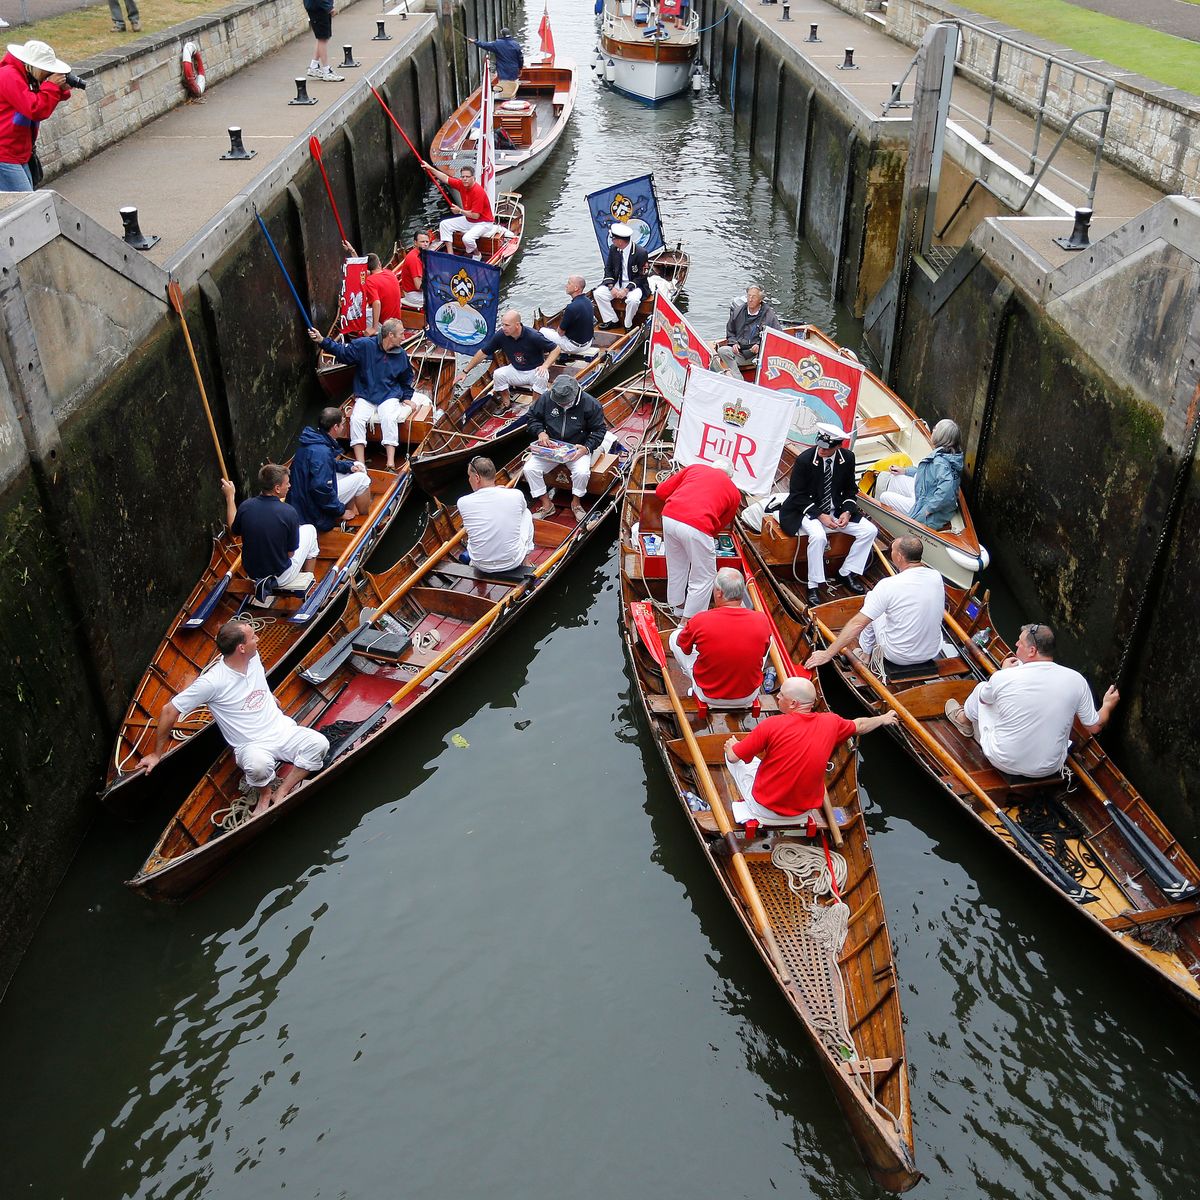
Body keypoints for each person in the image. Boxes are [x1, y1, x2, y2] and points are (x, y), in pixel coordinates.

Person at [140, 621, 328, 814]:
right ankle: (265, 794)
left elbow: (255, 682)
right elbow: (169, 710)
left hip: (280, 728)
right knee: (258, 766)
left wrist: (267, 695)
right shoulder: (212, 682)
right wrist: (157, 754)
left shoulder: (253, 657)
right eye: (253, 637)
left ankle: (282, 790)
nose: (258, 639)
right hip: (251, 744)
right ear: (241, 648)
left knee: (319, 744)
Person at [946, 623, 1120, 779]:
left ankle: (963, 720)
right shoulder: (1077, 680)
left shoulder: (1005, 676)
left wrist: (1002, 673)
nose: (1016, 644)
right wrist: (1107, 705)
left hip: (1003, 760)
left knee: (981, 689)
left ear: (1032, 651)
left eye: (1020, 642)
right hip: (1048, 768)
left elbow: (985, 699)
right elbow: (1095, 727)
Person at [723, 677, 897, 822]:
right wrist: (883, 719)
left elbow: (733, 757)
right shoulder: (832, 722)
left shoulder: (771, 724)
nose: (777, 697)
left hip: (765, 809)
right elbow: (860, 725)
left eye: (781, 694)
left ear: (793, 703)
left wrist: (732, 746)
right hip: (804, 812)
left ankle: (748, 807)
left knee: (730, 754)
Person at [805, 536, 944, 671]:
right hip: (931, 652)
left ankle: (865, 653)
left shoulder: (888, 585)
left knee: (871, 598)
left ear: (899, 557)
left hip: (897, 656)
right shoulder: (936, 576)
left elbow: (857, 624)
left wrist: (827, 654)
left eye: (892, 550)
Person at [309, 318, 429, 470]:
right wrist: (322, 341)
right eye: (401, 334)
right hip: (366, 394)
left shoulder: (401, 355)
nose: (404, 337)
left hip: (389, 394)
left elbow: (406, 378)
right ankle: (360, 463)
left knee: (388, 418)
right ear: (390, 335)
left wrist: (406, 397)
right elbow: (342, 352)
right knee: (356, 419)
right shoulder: (365, 345)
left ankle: (390, 463)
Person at [778, 422, 877, 606]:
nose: (821, 450)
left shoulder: (847, 458)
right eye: (820, 445)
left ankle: (846, 572)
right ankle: (813, 584)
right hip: (807, 509)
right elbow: (797, 495)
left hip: (836, 509)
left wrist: (847, 511)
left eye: (827, 448)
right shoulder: (805, 460)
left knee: (870, 531)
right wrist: (820, 515)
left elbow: (850, 489)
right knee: (818, 537)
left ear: (838, 446)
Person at [670, 568, 772, 708]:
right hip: (748, 695)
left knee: (674, 636)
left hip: (708, 694)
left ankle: (694, 685)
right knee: (769, 638)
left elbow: (684, 648)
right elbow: (764, 651)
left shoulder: (700, 619)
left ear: (719, 593)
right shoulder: (762, 619)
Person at [656, 458, 741, 619]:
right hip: (698, 526)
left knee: (676, 566)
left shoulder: (694, 468)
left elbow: (661, 492)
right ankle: (688, 621)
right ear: (730, 477)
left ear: (712, 467)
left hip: (669, 517)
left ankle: (678, 607)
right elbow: (721, 524)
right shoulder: (735, 493)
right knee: (704, 576)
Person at [523, 375, 607, 523]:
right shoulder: (546, 398)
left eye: (564, 401)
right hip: (552, 447)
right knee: (529, 469)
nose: (561, 404)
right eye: (558, 401)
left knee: (582, 473)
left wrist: (586, 447)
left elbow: (599, 431)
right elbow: (532, 418)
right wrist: (540, 432)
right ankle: (547, 504)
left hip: (577, 448)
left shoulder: (591, 404)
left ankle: (576, 503)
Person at [223, 464, 319, 592]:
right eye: (287, 483)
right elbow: (290, 554)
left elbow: (233, 531)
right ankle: (309, 584)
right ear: (277, 488)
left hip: (252, 575)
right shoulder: (289, 512)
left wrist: (230, 497)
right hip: (280, 577)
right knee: (310, 530)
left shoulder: (246, 506)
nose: (289, 486)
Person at [0, 41, 72, 193]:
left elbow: (40, 100)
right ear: (33, 66)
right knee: (26, 202)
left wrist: (60, 89)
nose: (48, 74)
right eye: (46, 70)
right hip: (4, 153)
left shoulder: (26, 76)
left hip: (17, 152)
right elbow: (35, 109)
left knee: (24, 201)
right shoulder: (8, 76)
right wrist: (52, 86)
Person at [288, 407, 372, 533]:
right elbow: (321, 488)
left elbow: (327, 465)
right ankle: (365, 520)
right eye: (342, 424)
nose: (344, 427)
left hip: (300, 499)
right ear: (335, 427)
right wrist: (340, 511)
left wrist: (349, 466)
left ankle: (348, 509)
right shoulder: (322, 452)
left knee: (356, 467)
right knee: (363, 479)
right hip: (311, 509)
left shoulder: (312, 441)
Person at [455, 309, 561, 401]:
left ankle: (535, 405)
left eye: (507, 325)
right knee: (498, 374)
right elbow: (483, 353)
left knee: (542, 375)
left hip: (535, 371)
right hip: (516, 370)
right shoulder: (501, 336)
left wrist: (545, 366)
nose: (503, 328)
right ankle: (506, 403)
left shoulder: (533, 336)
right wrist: (465, 371)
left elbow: (556, 349)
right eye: (502, 324)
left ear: (517, 325)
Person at [875, 419, 964, 529]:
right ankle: (894, 513)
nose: (933, 429)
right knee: (895, 479)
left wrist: (929, 509)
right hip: (925, 493)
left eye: (936, 428)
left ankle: (886, 523)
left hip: (925, 505)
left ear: (941, 436)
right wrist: (905, 471)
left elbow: (946, 490)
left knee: (884, 497)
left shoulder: (940, 463)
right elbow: (928, 474)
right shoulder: (949, 455)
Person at [458, 455, 535, 573]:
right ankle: (526, 561)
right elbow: (522, 510)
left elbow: (485, 504)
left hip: (480, 564)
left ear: (477, 478)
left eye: (470, 476)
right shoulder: (516, 495)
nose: (469, 480)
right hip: (512, 562)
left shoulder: (462, 502)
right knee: (526, 513)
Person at [426, 163, 498, 259]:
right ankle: (450, 254)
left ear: (473, 178)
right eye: (463, 176)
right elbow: (445, 178)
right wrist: (430, 168)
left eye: (467, 177)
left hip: (483, 222)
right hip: (469, 220)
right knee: (444, 224)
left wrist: (459, 211)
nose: (465, 179)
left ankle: (477, 254)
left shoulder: (478, 192)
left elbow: (475, 215)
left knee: (467, 238)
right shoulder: (461, 184)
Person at [594, 223, 649, 330]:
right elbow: (608, 269)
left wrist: (626, 289)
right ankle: (612, 320)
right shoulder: (613, 249)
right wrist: (611, 287)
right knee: (598, 293)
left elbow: (642, 276)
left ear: (619, 241)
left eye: (613, 239)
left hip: (635, 285)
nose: (612, 241)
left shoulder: (641, 253)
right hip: (616, 283)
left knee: (633, 301)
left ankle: (628, 324)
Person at [717, 284, 781, 375]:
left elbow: (777, 335)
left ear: (760, 300)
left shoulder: (769, 315)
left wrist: (760, 345)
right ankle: (737, 376)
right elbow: (730, 331)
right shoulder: (738, 311)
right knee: (722, 351)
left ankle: (761, 376)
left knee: (767, 354)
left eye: (754, 297)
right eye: (749, 296)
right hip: (740, 352)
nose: (750, 299)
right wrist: (734, 343)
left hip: (758, 354)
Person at [538, 276, 595, 356]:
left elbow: (560, 333)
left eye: (569, 283)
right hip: (588, 343)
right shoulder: (588, 301)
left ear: (576, 288)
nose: (566, 286)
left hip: (574, 347)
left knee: (542, 331)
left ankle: (547, 354)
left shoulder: (571, 308)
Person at [469, 27, 524, 99]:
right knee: (513, 85)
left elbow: (485, 45)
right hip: (514, 70)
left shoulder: (497, 44)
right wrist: (520, 68)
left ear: (501, 34)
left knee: (503, 85)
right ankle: (512, 98)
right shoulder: (516, 44)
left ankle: (504, 98)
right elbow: (520, 58)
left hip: (503, 70)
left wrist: (475, 41)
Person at [303, 0, 344, 83]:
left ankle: (314, 66)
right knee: (323, 39)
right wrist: (329, 7)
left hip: (319, 7)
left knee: (322, 38)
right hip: (319, 8)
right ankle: (326, 71)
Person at [363, 253, 401, 333]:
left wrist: (374, 328)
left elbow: (376, 303)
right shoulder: (389, 272)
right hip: (396, 320)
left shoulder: (370, 281)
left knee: (358, 317)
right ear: (379, 264)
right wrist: (353, 252)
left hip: (385, 325)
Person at [398, 229, 430, 307]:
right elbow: (419, 286)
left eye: (427, 242)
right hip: (414, 294)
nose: (425, 244)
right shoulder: (414, 259)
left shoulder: (421, 254)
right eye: (422, 242)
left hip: (418, 291)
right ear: (415, 242)